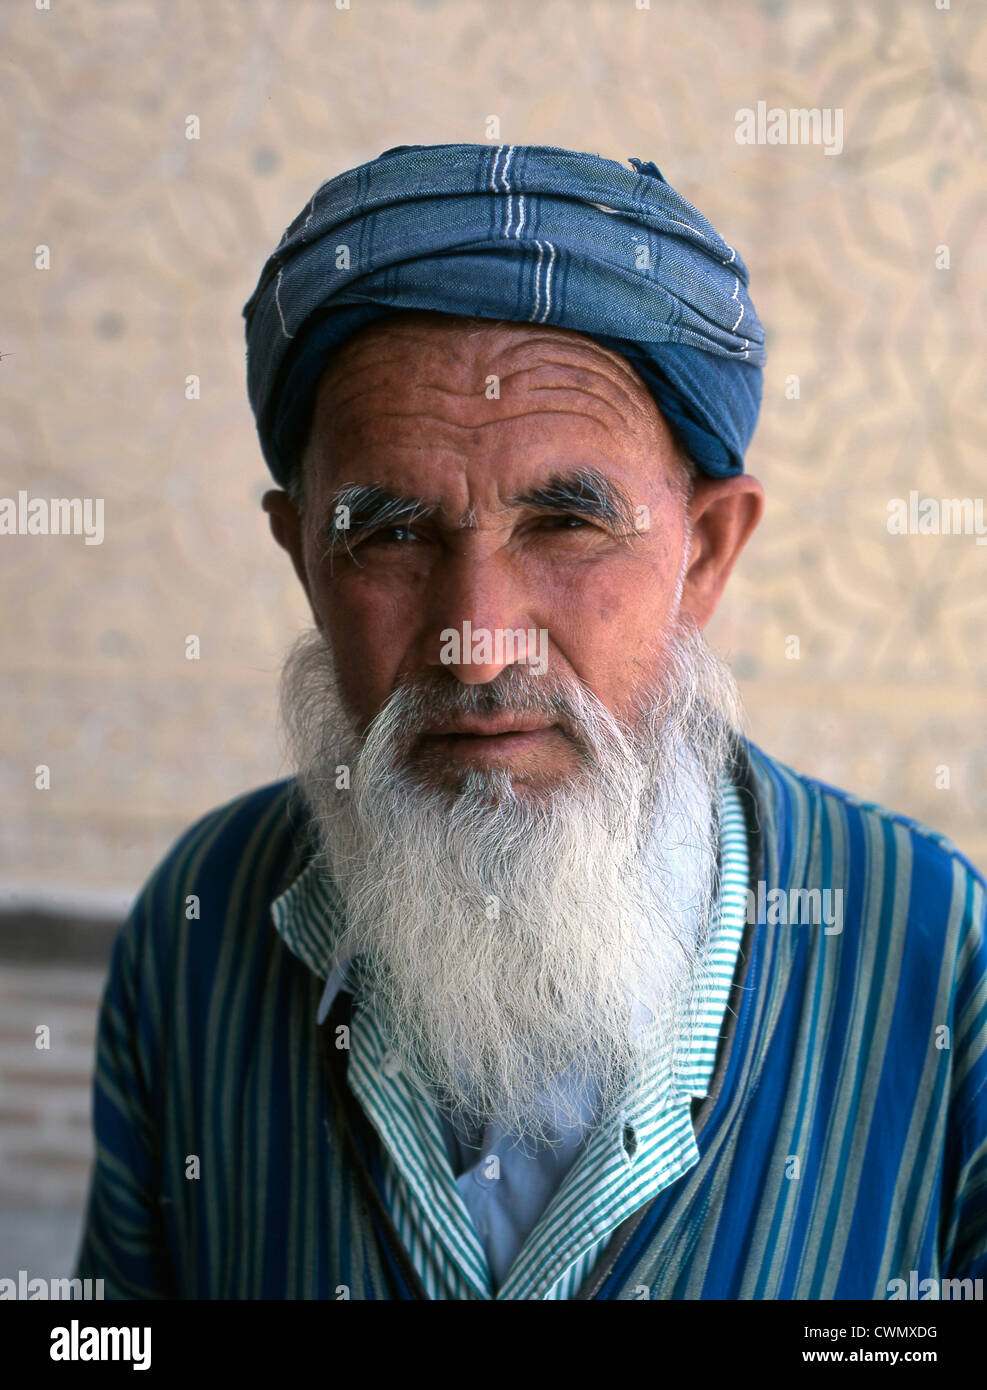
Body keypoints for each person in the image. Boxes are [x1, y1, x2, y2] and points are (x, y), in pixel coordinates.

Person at [75, 143, 987, 1300]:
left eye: (564, 524)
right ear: (303, 558)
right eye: (391, 533)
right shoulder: (197, 926)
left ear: (705, 553)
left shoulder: (942, 961)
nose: (478, 641)